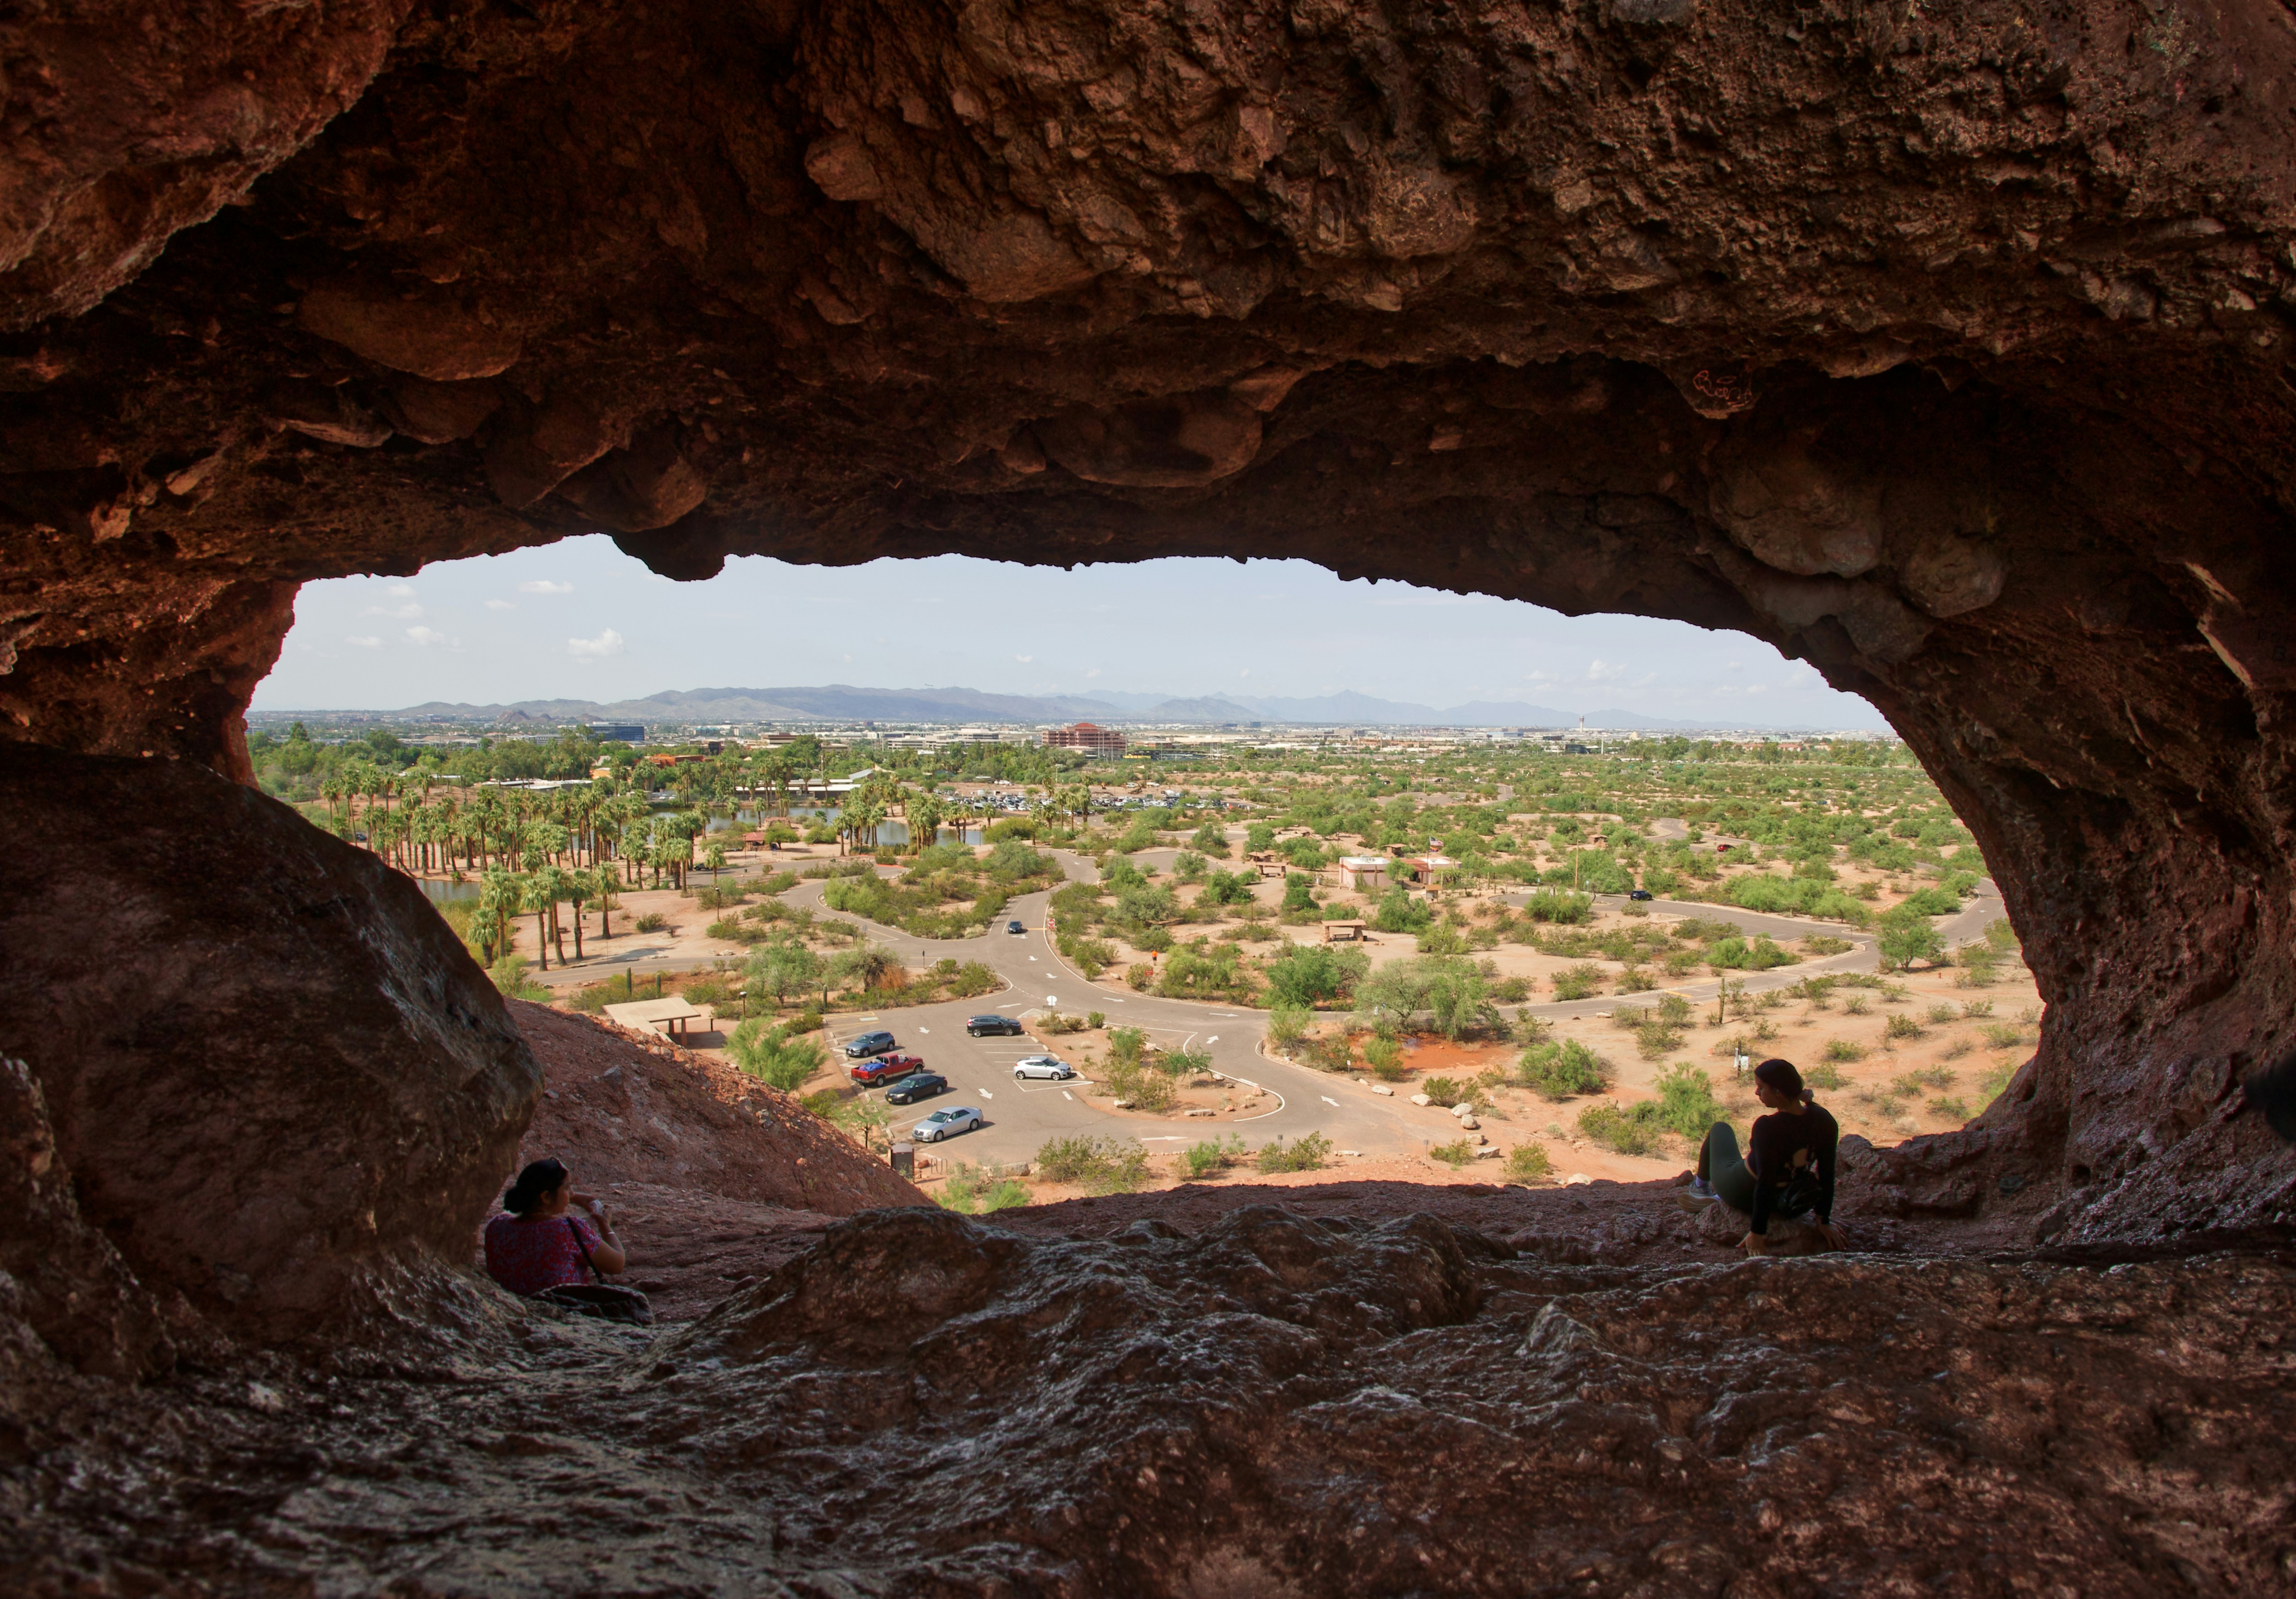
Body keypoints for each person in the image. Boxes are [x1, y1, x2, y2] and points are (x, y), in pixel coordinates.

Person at [1681, 1058, 1845, 1255]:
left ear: (1777, 1092)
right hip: (1789, 1203)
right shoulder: (1825, 1120)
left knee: (1720, 1129)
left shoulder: (1768, 1127)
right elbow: (1826, 1175)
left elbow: (1765, 1182)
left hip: (1741, 1192)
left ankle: (1701, 1188)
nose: (1757, 1093)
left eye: (1761, 1088)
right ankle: (1711, 1194)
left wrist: (1757, 1233)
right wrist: (1823, 1220)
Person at [483, 1157, 628, 1297]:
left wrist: (564, 1196)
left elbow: (516, 1208)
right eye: (567, 1188)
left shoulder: (497, 1226)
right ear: (545, 1197)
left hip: (511, 1308)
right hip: (559, 1311)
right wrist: (605, 1226)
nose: (571, 1194)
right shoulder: (568, 1230)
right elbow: (617, 1264)